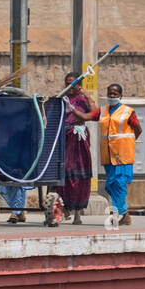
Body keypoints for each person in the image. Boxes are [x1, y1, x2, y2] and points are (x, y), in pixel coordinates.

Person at [60, 71, 99, 224]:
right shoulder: (61, 99)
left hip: (78, 138)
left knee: (79, 172)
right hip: (64, 137)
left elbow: (95, 113)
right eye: (67, 83)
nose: (70, 87)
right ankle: (64, 208)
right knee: (63, 171)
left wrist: (87, 95)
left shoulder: (82, 100)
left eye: (73, 83)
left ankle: (77, 213)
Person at [99, 83, 142, 226]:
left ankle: (118, 214)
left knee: (120, 183)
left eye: (115, 94)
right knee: (111, 185)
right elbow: (88, 115)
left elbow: (138, 129)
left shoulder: (128, 111)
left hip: (123, 156)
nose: (112, 96)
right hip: (109, 155)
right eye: (110, 93)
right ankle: (125, 214)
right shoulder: (103, 111)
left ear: (121, 96)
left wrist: (127, 143)